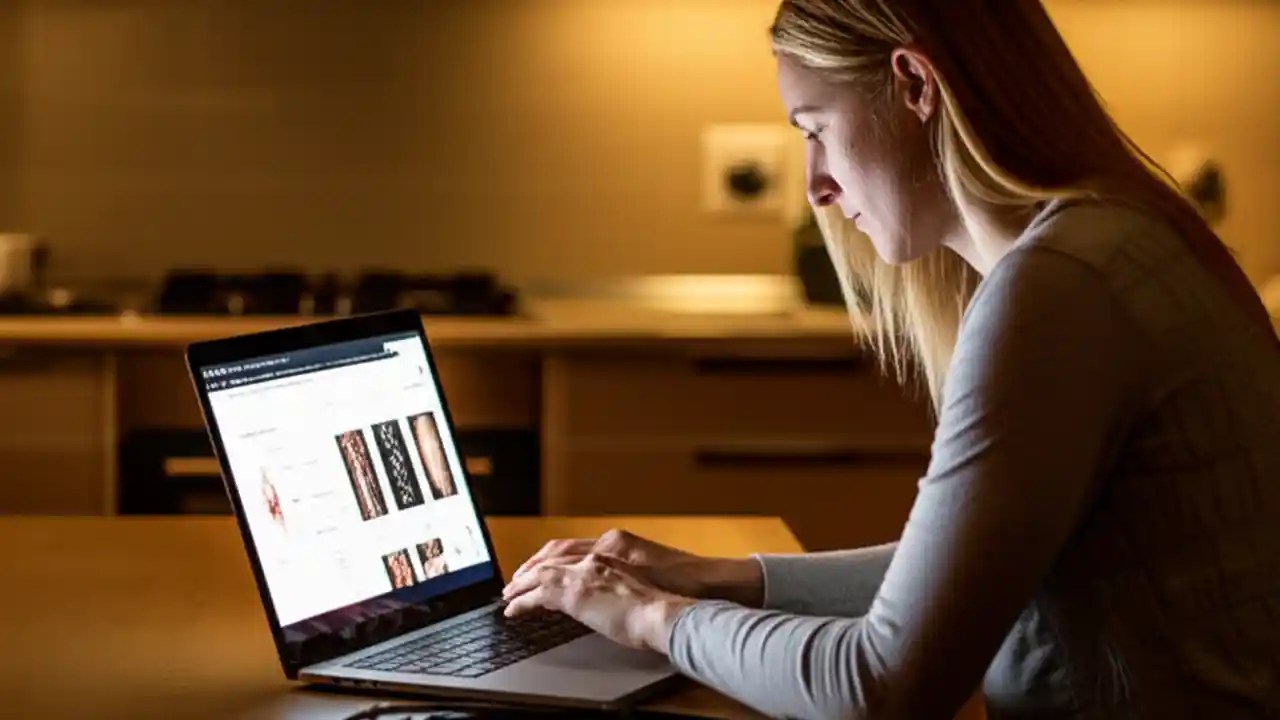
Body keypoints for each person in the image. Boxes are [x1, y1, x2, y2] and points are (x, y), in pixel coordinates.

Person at [502, 1, 1280, 718]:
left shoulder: (1058, 291)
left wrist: (650, 618)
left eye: (816, 129)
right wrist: (729, 579)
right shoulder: (1126, 239)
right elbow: (967, 577)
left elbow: (881, 685)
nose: (816, 186)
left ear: (912, 85)